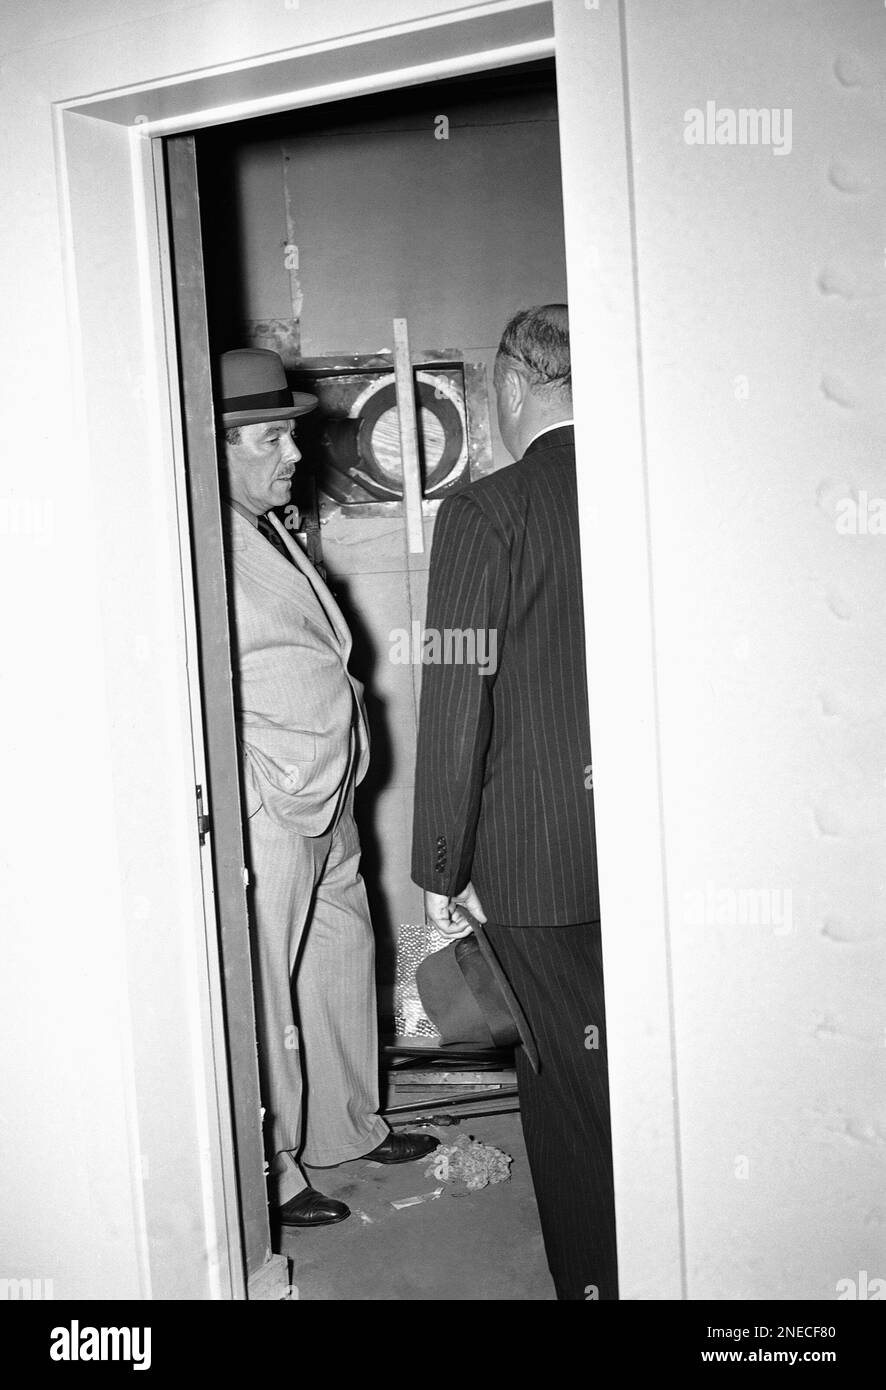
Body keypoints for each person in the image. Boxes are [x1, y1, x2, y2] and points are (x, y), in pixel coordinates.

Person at [411, 306, 618, 1299]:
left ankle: (598, 1284)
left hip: (536, 865)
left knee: (569, 1102)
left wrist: (438, 869)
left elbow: (456, 698)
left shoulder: (484, 512)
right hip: (659, 851)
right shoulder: (652, 489)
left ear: (511, 386)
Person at [218, 348, 437, 1229]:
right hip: (272, 796)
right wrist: (251, 779)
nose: (294, 453)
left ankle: (346, 1125)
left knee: (340, 951)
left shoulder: (265, 524)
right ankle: (275, 1173)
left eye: (291, 433)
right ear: (216, 445)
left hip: (331, 783)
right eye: (271, 436)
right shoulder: (195, 538)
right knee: (266, 983)